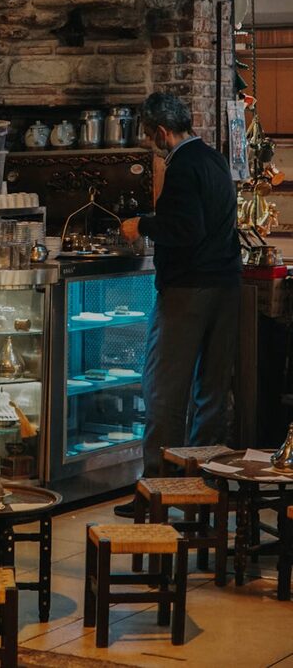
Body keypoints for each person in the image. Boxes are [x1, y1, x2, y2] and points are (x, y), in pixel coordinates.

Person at [115, 92, 241, 517]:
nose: (155, 146)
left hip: (188, 291)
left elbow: (185, 228)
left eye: (152, 138)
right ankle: (202, 489)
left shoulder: (183, 166)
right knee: (211, 393)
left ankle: (156, 494)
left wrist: (141, 225)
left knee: (163, 392)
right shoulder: (214, 159)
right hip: (225, 287)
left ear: (163, 133)